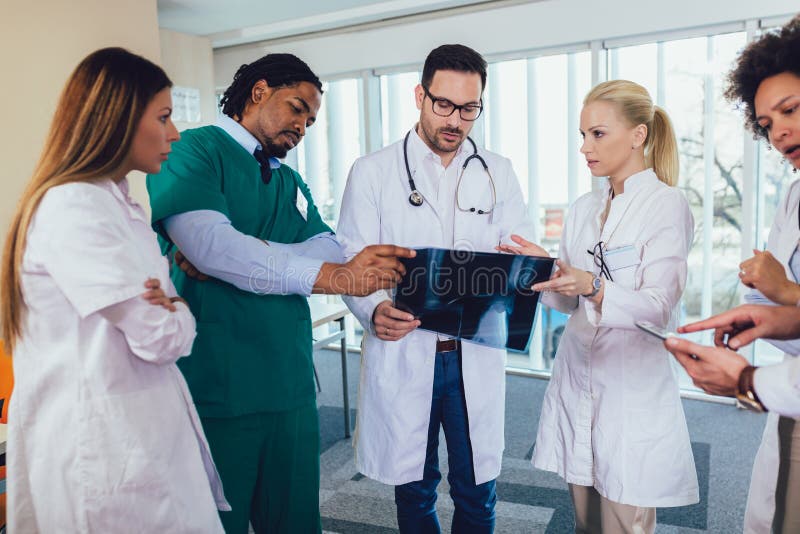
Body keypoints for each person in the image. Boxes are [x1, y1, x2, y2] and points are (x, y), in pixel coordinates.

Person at [145, 53, 414, 533]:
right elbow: (210, 246)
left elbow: (328, 243)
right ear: (258, 91)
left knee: (294, 522)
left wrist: (249, 252)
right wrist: (322, 273)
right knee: (212, 521)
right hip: (219, 385)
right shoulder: (194, 151)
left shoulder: (288, 179)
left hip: (288, 384)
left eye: (310, 119)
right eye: (296, 108)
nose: (303, 126)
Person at [1, 47, 228, 533]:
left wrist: (173, 307)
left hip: (134, 435)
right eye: (163, 117)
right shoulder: (74, 207)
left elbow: (164, 320)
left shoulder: (116, 202)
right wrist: (178, 307)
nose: (175, 134)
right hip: (104, 454)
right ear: (118, 119)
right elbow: (162, 338)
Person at [336, 44, 536, 533]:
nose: (456, 120)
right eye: (443, 104)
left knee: (477, 491)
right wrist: (372, 310)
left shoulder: (498, 171)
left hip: (473, 355)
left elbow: (519, 254)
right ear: (420, 96)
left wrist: (524, 267)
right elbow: (349, 259)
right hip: (407, 351)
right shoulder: (372, 172)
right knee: (415, 489)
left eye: (469, 108)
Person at [501, 79, 699, 533]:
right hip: (578, 379)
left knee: (624, 524)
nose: (585, 147)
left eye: (598, 134)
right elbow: (567, 303)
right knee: (585, 524)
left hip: (630, 392)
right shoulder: (584, 207)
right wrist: (542, 268)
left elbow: (659, 309)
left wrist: (595, 287)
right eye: (582, 135)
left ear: (639, 135)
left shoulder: (667, 205)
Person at [665, 15, 800, 533]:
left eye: (789, 109)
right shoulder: (793, 194)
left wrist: (744, 380)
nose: (779, 130)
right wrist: (769, 318)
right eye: (766, 125)